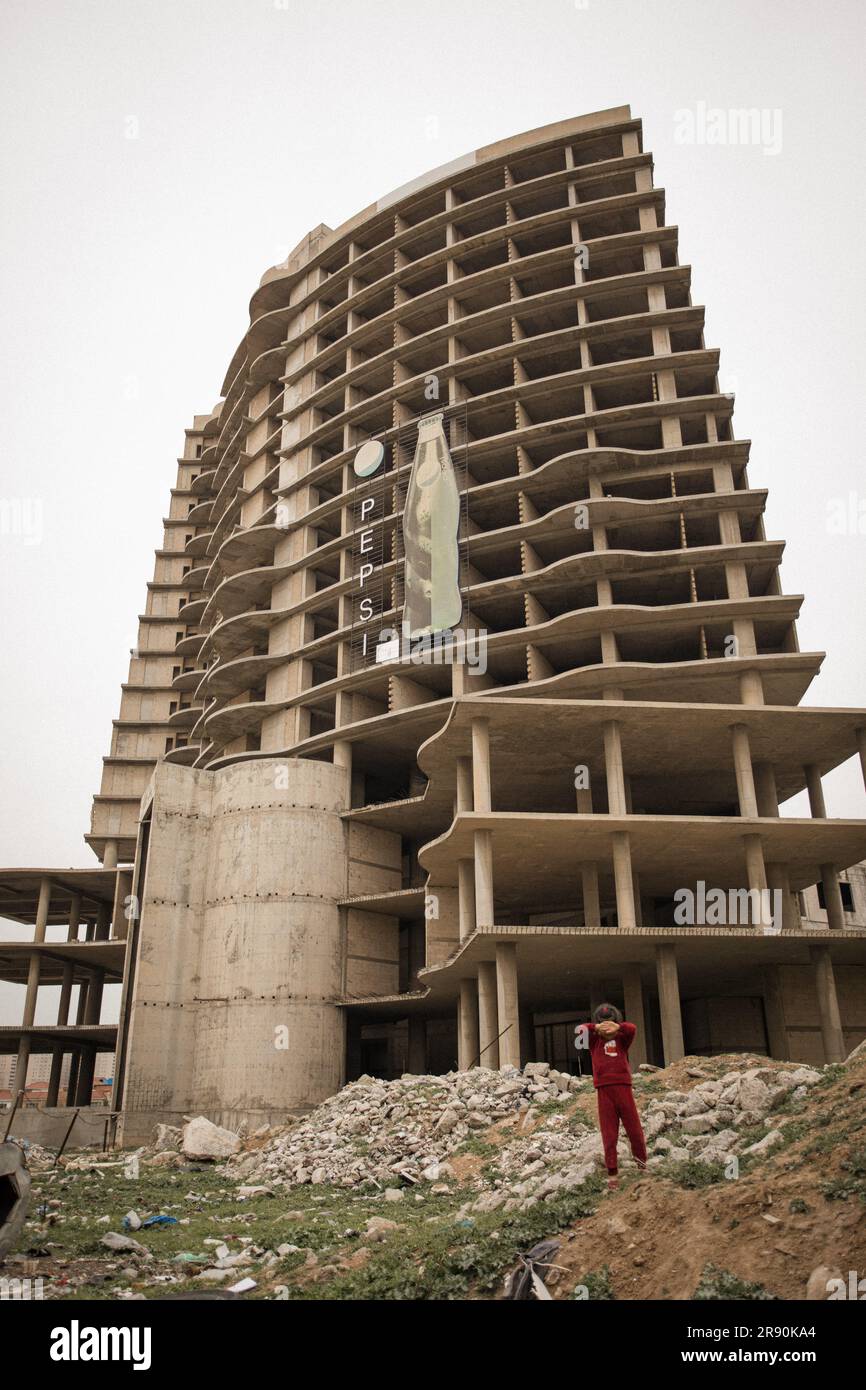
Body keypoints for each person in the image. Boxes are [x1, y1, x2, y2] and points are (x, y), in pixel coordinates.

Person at [576, 1003, 648, 1190]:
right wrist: (596, 1028)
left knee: (634, 1130)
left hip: (623, 1087)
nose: (607, 1027)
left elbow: (632, 1028)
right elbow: (580, 1030)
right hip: (604, 1090)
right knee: (609, 1134)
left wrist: (618, 1027)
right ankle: (612, 1173)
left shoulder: (622, 1038)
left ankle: (642, 1166)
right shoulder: (594, 1040)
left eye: (611, 1022)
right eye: (603, 1023)